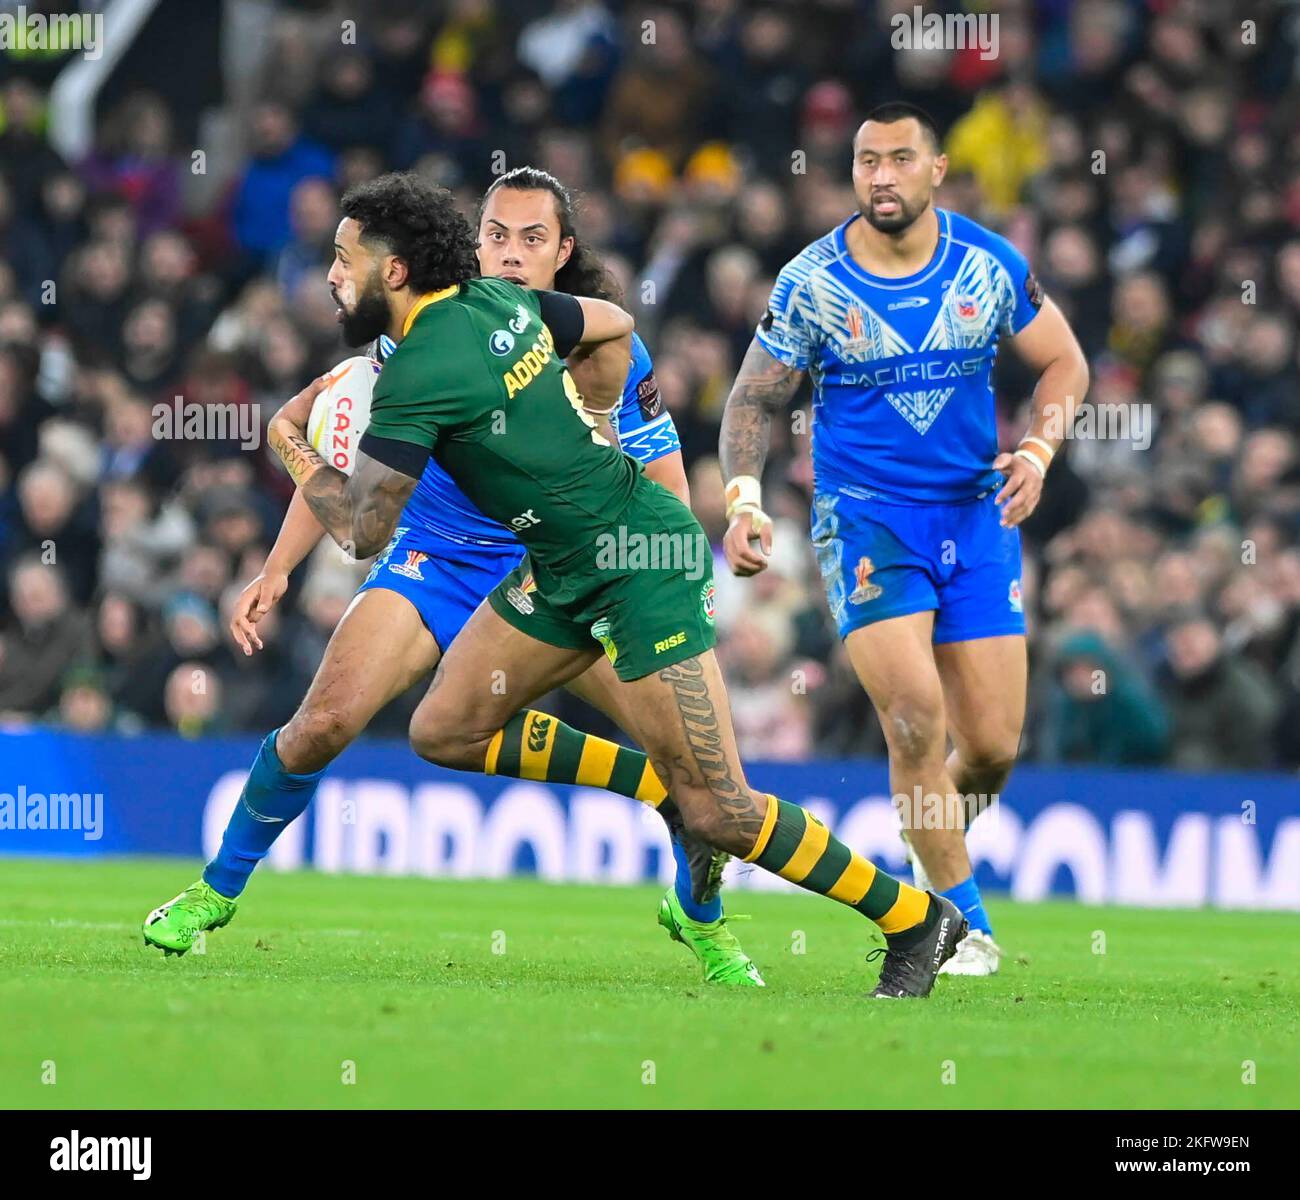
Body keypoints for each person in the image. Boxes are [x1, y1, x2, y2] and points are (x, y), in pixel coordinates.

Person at [263, 171, 966, 998]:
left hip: (637, 565)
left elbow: (359, 530)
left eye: (343, 260)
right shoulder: (494, 316)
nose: (333, 277)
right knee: (445, 728)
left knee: (718, 808)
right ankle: (651, 791)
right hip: (558, 565)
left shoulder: (451, 346)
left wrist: (289, 439)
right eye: (497, 236)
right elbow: (617, 315)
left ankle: (916, 919)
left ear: (395, 269)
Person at [143, 169, 760, 987]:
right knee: (324, 720)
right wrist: (277, 569)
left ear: (563, 252)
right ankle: (215, 891)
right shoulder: (409, 333)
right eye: (495, 235)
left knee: (702, 779)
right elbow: (346, 468)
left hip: (573, 564)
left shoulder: (602, 345)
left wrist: (682, 572)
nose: (509, 253)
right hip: (438, 555)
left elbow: (661, 476)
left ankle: (702, 915)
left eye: (531, 239)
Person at [718, 103, 1090, 975]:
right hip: (867, 522)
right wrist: (743, 500)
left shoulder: (988, 264)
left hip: (976, 515)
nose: (880, 176)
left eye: (898, 159)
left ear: (937, 169)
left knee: (993, 746)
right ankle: (960, 924)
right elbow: (750, 399)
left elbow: (1066, 363)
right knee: (917, 722)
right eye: (864, 162)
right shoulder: (813, 281)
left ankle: (925, 827)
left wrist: (1038, 450)